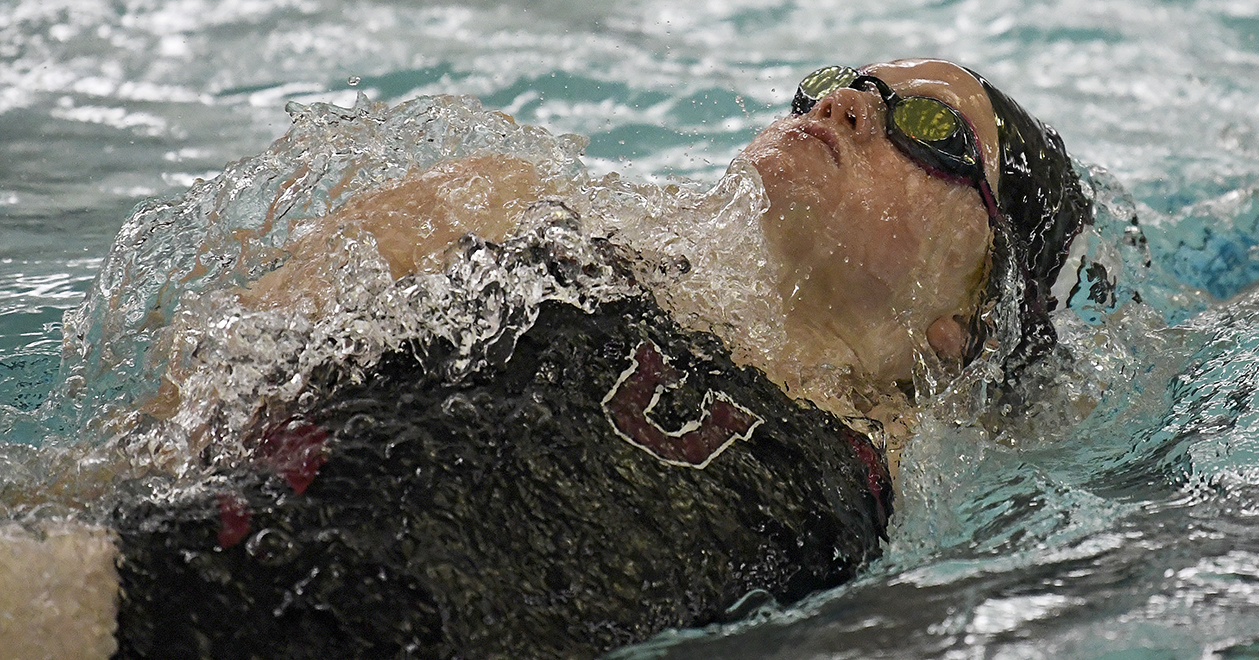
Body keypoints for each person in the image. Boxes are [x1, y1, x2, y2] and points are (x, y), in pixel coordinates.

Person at [34, 60, 1093, 660]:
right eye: (836, 79)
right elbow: (187, 415)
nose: (843, 104)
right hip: (119, 593)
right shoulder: (508, 209)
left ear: (964, 321)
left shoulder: (891, 500)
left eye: (924, 125)